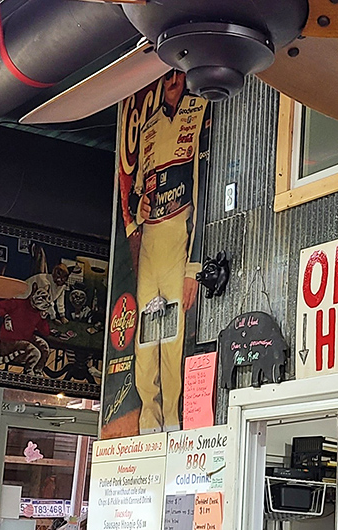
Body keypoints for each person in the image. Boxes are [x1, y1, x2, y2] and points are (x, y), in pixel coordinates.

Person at [130, 70, 207, 433]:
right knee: (146, 345)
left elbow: (205, 188)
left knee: (172, 341)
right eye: (168, 74)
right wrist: (139, 203)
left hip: (179, 242)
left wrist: (194, 269)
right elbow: (136, 191)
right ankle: (149, 419)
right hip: (150, 247)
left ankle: (173, 419)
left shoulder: (202, 111)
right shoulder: (147, 129)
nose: (173, 79)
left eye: (179, 72)